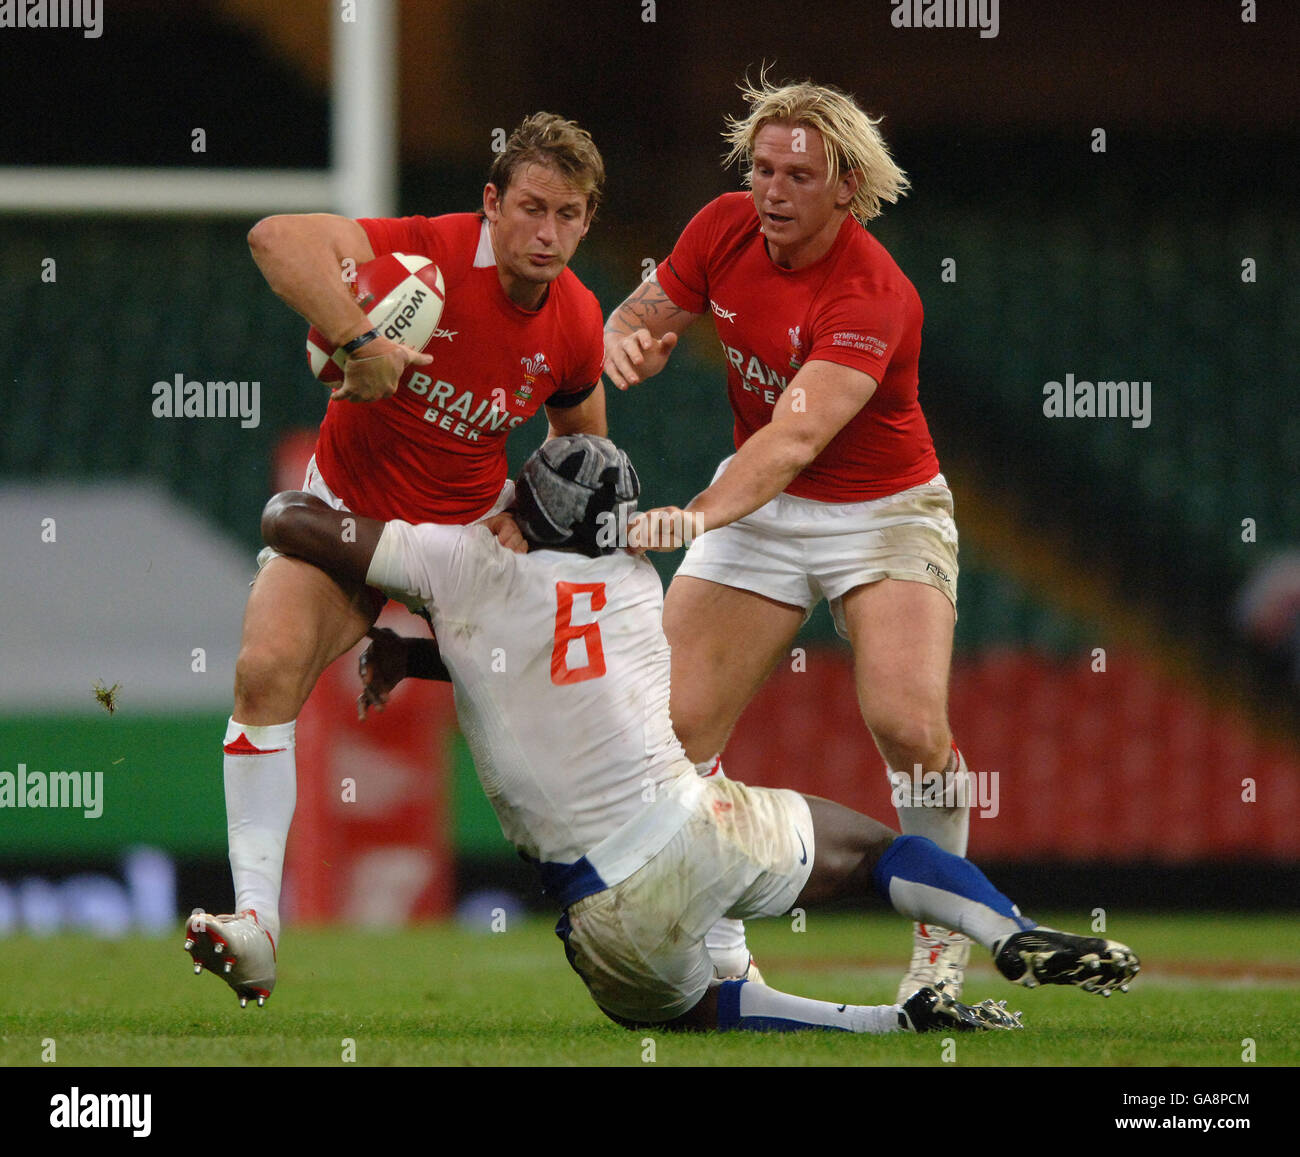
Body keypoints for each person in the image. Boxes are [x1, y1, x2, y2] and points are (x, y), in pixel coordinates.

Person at [185, 434, 1139, 1033]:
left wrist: (390, 617)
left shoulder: (464, 563)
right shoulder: (635, 589)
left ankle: (884, 1027)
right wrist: (423, 651)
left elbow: (297, 520)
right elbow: (543, 664)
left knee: (699, 1014)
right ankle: (1005, 929)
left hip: (598, 916)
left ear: (530, 509)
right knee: (881, 853)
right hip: (693, 833)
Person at [187, 112, 610, 1007]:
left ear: (586, 222)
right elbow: (274, 239)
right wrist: (358, 339)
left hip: (461, 544)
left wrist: (531, 524)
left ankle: (664, 920)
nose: (547, 231)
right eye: (530, 207)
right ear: (491, 203)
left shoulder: (575, 320)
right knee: (264, 669)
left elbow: (584, 453)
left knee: (582, 719)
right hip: (350, 518)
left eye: (568, 214)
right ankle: (257, 925)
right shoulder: (426, 257)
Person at [602, 75, 977, 1001]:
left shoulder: (873, 293)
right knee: (672, 731)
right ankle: (724, 951)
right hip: (763, 510)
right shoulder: (723, 225)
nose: (772, 190)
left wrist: (698, 514)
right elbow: (640, 317)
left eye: (798, 175)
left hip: (884, 511)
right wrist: (625, 338)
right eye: (763, 168)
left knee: (908, 723)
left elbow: (796, 438)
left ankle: (942, 947)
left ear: (846, 185)